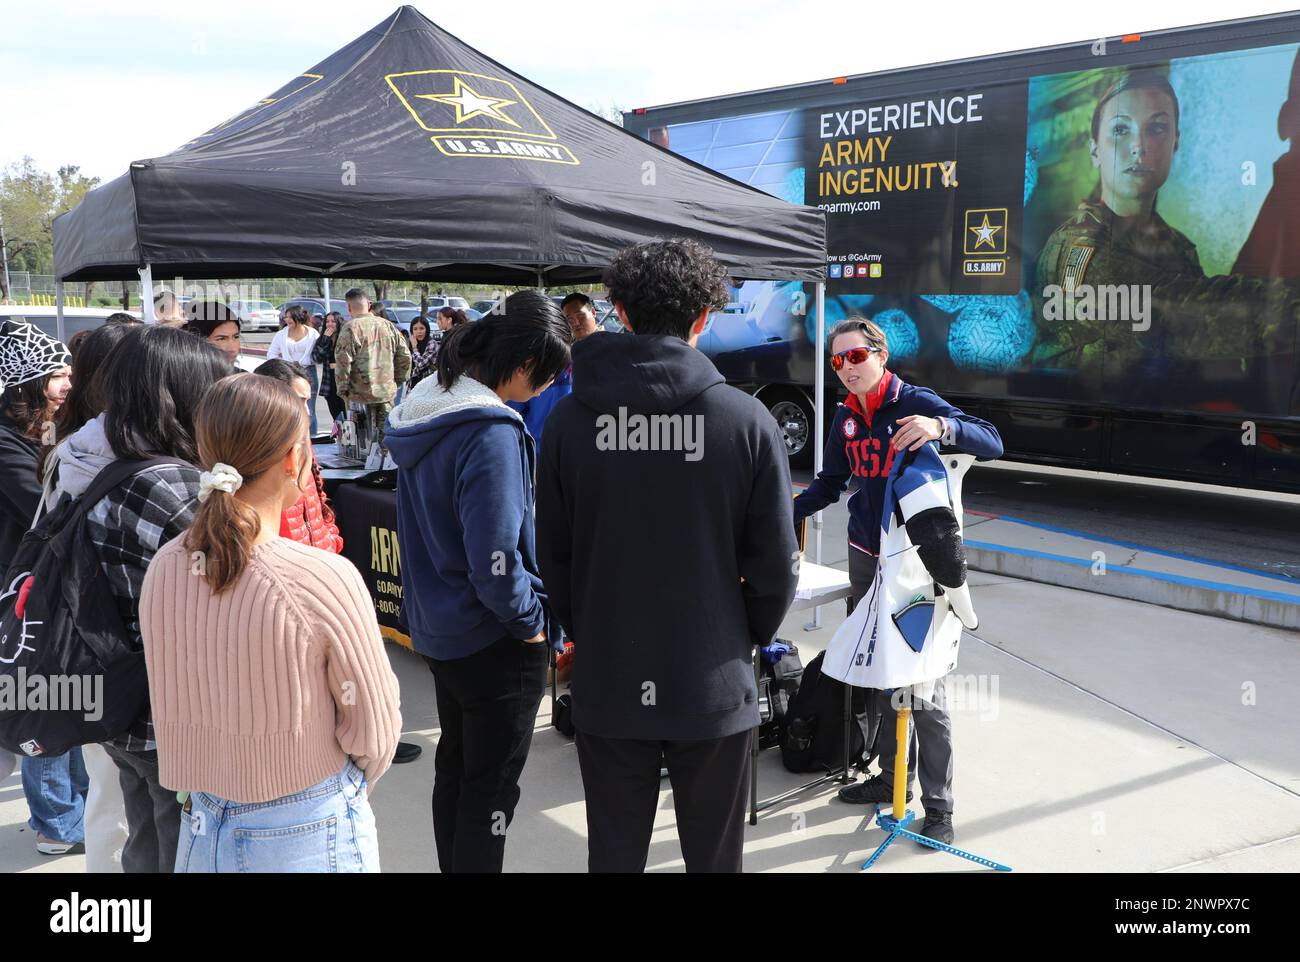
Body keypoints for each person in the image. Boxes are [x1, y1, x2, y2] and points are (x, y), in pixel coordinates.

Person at [534, 239, 799, 873]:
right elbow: (775, 566)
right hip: (712, 677)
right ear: (704, 317)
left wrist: (590, 628)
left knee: (615, 855)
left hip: (609, 680)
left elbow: (555, 558)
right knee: (714, 859)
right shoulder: (746, 420)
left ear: (619, 311)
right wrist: (742, 633)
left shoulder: (570, 423)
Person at [140, 373, 401, 873]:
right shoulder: (318, 577)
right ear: (292, 457)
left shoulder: (167, 566)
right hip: (306, 822)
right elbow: (374, 724)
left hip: (201, 823)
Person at [792, 316, 1003, 846]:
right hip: (866, 558)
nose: (846, 369)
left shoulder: (916, 401)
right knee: (882, 672)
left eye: (856, 356)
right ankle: (892, 780)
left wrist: (941, 428)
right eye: (837, 361)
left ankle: (940, 806)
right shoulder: (844, 416)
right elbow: (832, 483)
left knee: (924, 685)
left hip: (915, 566)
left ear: (881, 356)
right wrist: (782, 509)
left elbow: (993, 441)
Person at [384, 290, 570, 873]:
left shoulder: (426, 404)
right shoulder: (489, 431)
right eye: (545, 376)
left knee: (459, 777)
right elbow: (496, 558)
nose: (544, 390)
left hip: (442, 630)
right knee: (490, 795)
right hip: (493, 638)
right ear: (521, 368)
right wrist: (534, 625)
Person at [77, 325, 231, 873]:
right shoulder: (174, 486)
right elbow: (231, 592)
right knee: (179, 844)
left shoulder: (99, 462)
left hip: (120, 702)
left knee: (144, 831)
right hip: (169, 710)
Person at [1033, 70, 1299, 377]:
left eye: (1157, 128)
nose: (1140, 146)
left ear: (1175, 143)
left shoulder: (1177, 246)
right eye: (1121, 129)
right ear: (1095, 150)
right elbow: (1191, 318)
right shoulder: (1078, 249)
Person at [36, 321, 136, 872]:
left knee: (108, 794)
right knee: (122, 799)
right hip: (105, 643)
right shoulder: (99, 452)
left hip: (84, 642)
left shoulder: (68, 445)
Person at [0, 320, 86, 858]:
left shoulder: (36, 434)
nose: (67, 385)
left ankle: (69, 808)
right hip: (20, 596)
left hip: (40, 586)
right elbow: (45, 509)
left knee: (64, 698)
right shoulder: (6, 445)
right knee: (42, 700)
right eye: (56, 375)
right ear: (26, 384)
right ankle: (56, 821)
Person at [253, 359, 343, 553]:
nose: (307, 411)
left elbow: (320, 499)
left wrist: (331, 540)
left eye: (307, 401)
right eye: (299, 400)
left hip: (319, 556)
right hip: (283, 563)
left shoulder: (303, 441)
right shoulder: (253, 452)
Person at [507, 292, 603, 445]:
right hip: (541, 447)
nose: (576, 322)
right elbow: (513, 409)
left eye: (580, 315)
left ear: (593, 312)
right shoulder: (544, 359)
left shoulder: (611, 355)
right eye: (569, 319)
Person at [335, 288, 411, 450]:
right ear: (369, 305)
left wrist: (343, 390)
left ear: (349, 308)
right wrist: (396, 381)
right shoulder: (388, 326)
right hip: (386, 393)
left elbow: (343, 364)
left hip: (358, 396)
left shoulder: (350, 328)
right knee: (386, 443)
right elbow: (405, 357)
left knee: (360, 445)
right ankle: (386, 473)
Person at [268, 305, 321, 435]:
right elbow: (271, 354)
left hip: (309, 372)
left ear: (299, 317)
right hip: (288, 373)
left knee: (309, 409)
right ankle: (293, 438)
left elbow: (319, 354)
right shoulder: (281, 335)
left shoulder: (313, 333)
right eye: (286, 317)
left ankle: (312, 439)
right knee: (290, 408)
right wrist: (283, 365)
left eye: (290, 317)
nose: (287, 320)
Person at [184, 300, 243, 370]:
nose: (232, 349)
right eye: (221, 339)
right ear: (198, 341)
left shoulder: (244, 378)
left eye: (236, 337)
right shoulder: (179, 378)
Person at [313, 312, 347, 422]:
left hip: (344, 380)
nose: (330, 324)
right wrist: (325, 340)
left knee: (347, 413)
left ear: (339, 323)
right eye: (327, 322)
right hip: (329, 381)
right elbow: (316, 358)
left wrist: (339, 365)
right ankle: (339, 435)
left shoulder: (345, 338)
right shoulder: (323, 339)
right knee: (336, 415)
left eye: (333, 321)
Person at [407, 316, 438, 390]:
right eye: (415, 329)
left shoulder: (432, 344)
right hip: (414, 385)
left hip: (428, 386)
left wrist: (415, 348)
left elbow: (420, 364)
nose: (419, 332)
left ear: (427, 329)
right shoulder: (412, 343)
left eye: (422, 328)